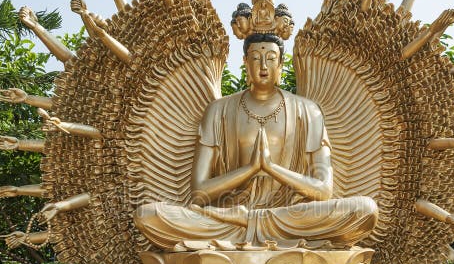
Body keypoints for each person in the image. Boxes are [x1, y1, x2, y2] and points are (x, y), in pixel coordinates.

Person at [134, 31, 378, 250]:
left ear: (282, 64)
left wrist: (271, 169)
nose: (263, 65)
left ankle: (249, 224)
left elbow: (324, 190)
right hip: (227, 214)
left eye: (271, 58)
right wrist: (249, 170)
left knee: (365, 210)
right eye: (255, 58)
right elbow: (199, 192)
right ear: (245, 63)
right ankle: (248, 226)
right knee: (148, 215)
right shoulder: (218, 111)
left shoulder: (308, 111)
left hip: (288, 215)